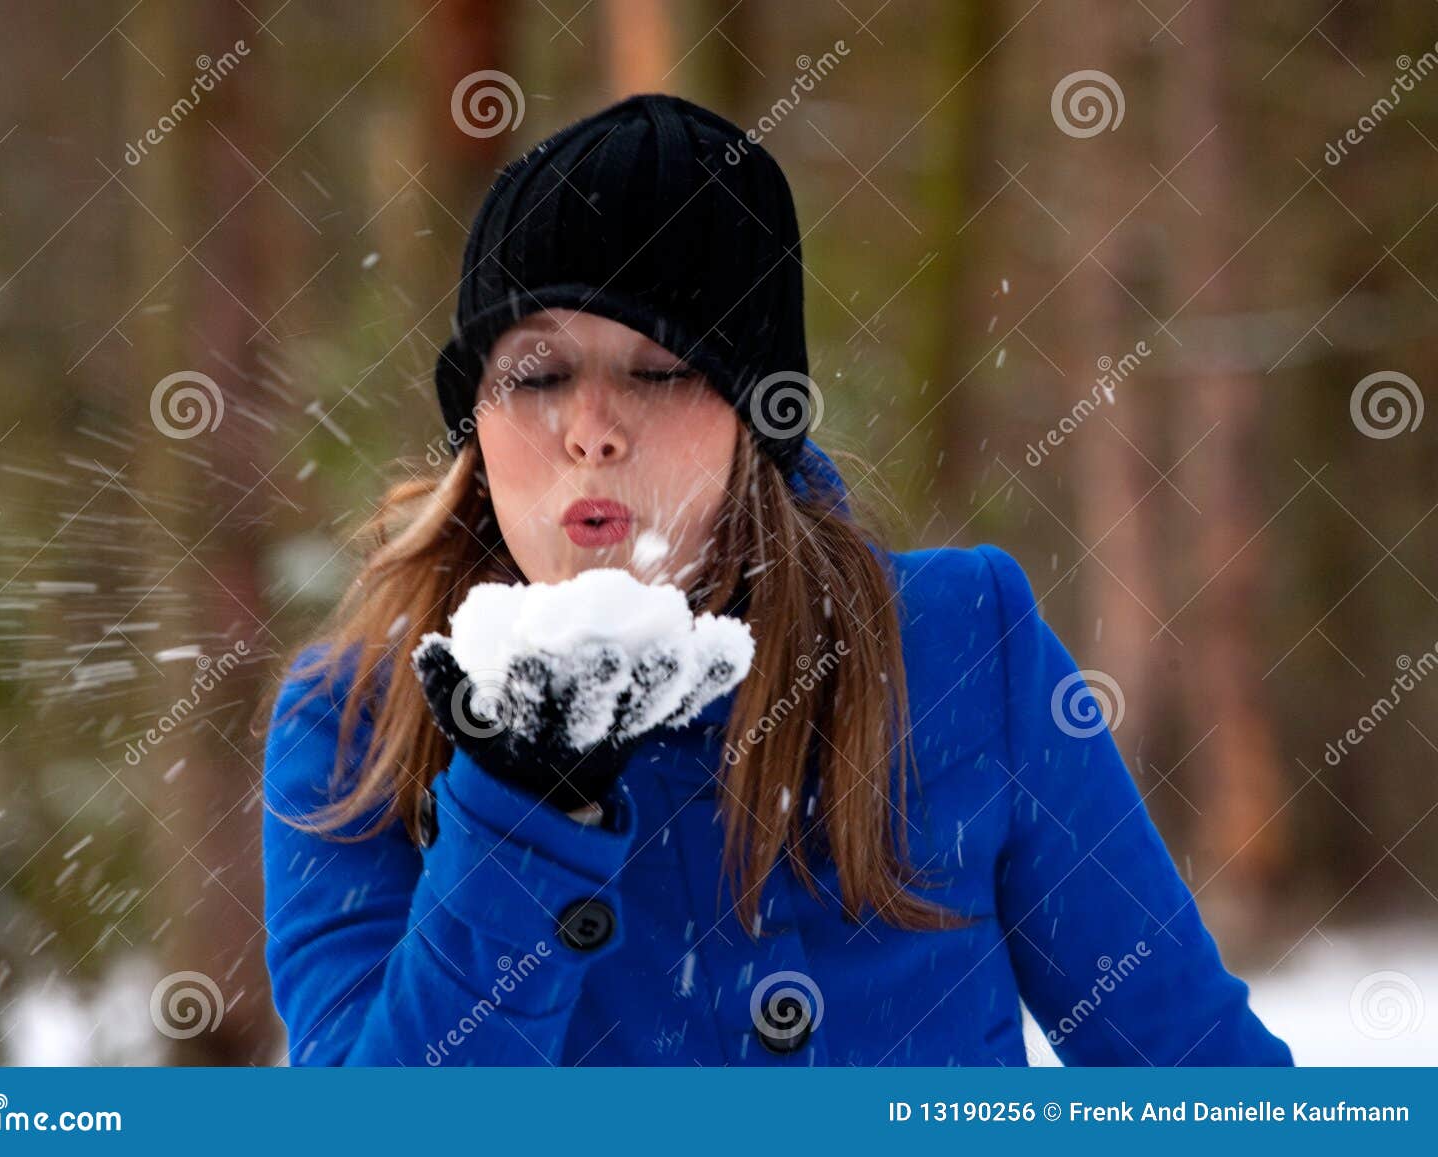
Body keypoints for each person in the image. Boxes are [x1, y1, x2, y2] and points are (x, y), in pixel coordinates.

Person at [259, 93, 1293, 1066]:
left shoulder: (957, 645)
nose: (590, 431)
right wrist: (522, 815)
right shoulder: (358, 722)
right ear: (474, 422)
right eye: (536, 374)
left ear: (759, 415)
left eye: (660, 369)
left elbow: (1202, 1082)